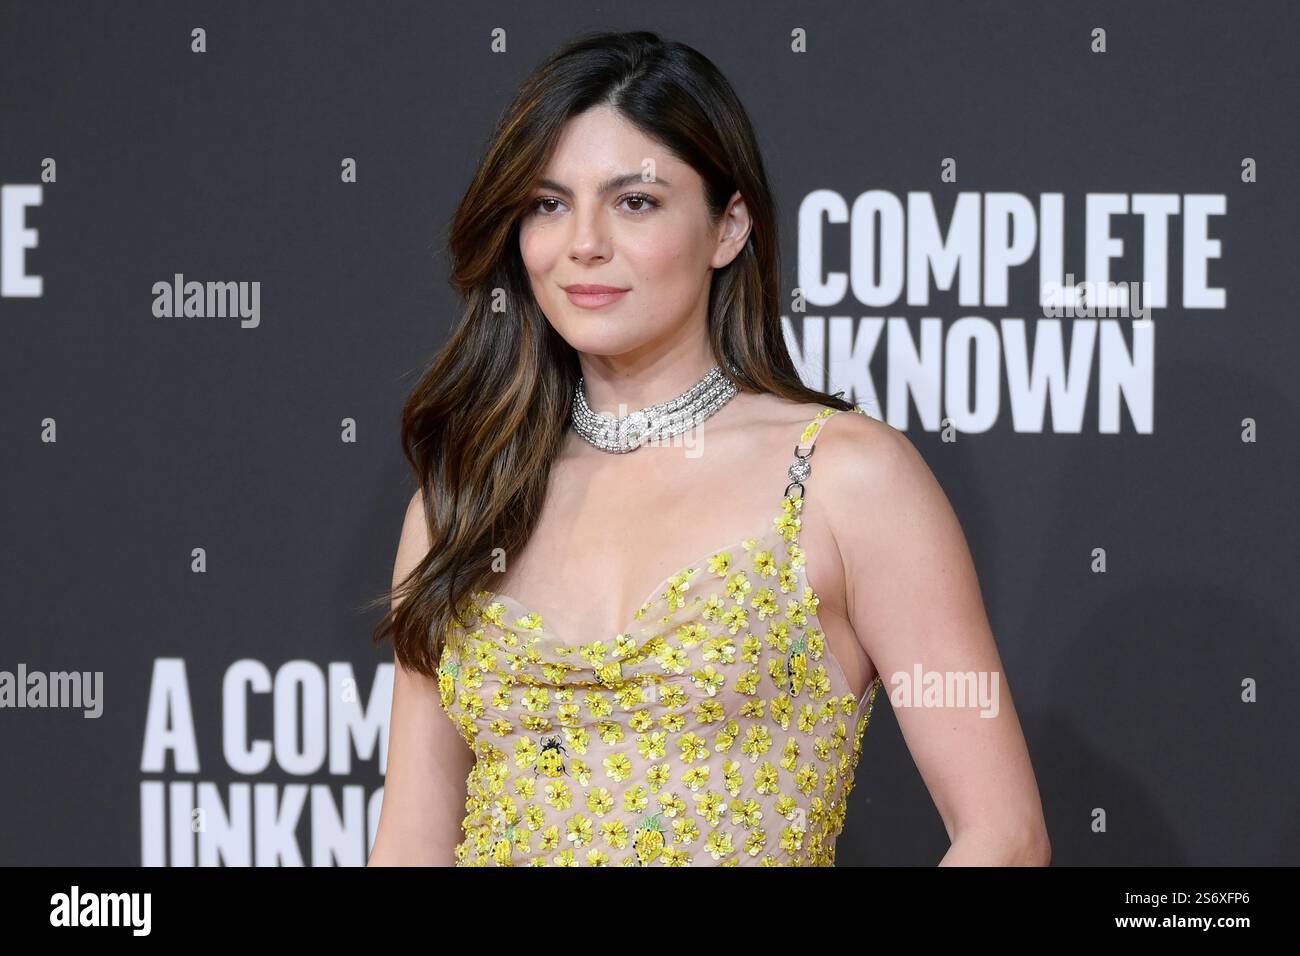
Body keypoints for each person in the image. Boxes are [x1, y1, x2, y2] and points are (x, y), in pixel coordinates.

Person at [366, 30, 1049, 867]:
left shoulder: (843, 479)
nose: (584, 242)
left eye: (635, 202)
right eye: (547, 203)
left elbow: (1002, 835)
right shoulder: (460, 506)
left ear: (728, 228)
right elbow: (409, 845)